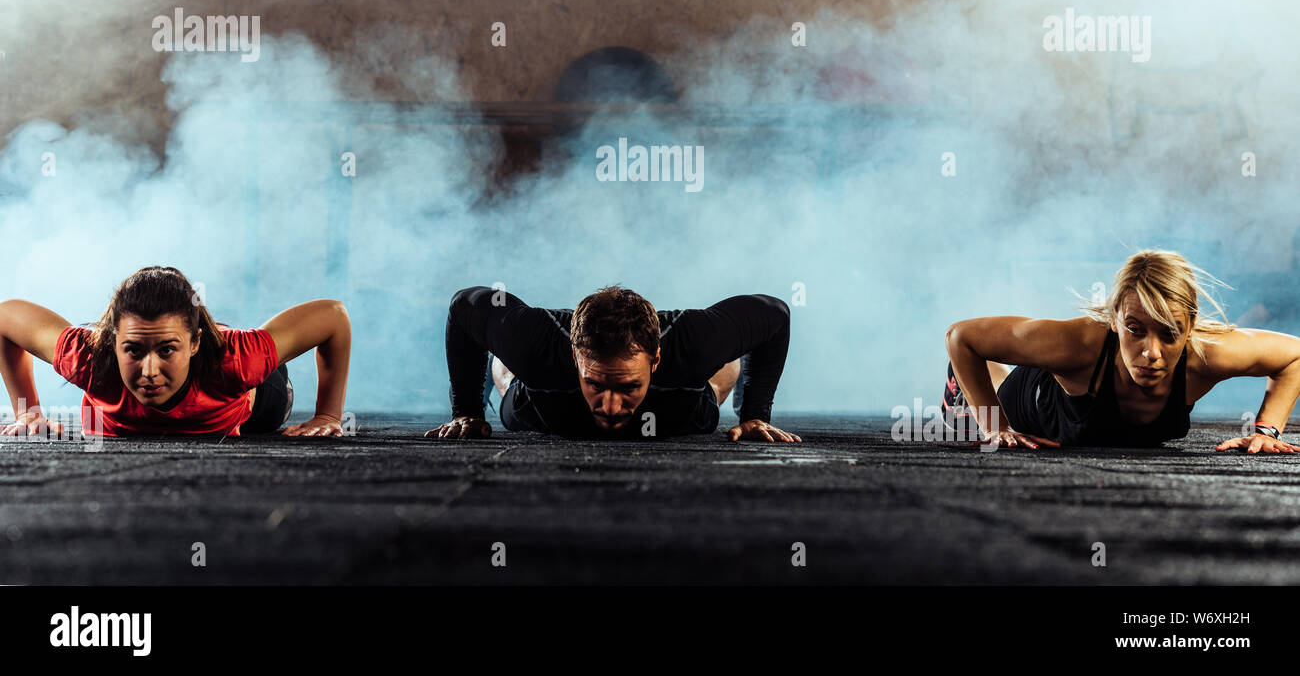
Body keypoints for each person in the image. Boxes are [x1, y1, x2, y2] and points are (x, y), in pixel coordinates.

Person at [943, 249, 1300, 453]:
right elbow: (962, 337)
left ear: (1190, 327)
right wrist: (995, 427)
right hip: (1033, 403)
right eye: (1135, 330)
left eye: (1170, 334)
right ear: (1114, 319)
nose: (1151, 353)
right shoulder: (1077, 344)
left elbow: (1295, 356)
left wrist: (1266, 431)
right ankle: (959, 384)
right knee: (976, 403)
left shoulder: (1207, 355)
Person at [0, 265, 351, 437]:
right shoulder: (90, 358)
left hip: (254, 401)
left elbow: (332, 316)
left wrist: (329, 416)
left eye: (166, 350)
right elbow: (5, 318)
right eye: (134, 350)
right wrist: (27, 412)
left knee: (263, 386)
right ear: (111, 342)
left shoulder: (239, 360)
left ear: (195, 343)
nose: (149, 370)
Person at [428, 284, 799, 442]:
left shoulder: (693, 344)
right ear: (576, 357)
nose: (609, 406)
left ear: (654, 360)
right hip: (545, 401)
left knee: (716, 373)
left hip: (674, 402)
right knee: (511, 372)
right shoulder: (536, 346)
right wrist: (467, 410)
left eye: (627, 387)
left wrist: (755, 415)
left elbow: (775, 314)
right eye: (597, 384)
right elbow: (465, 305)